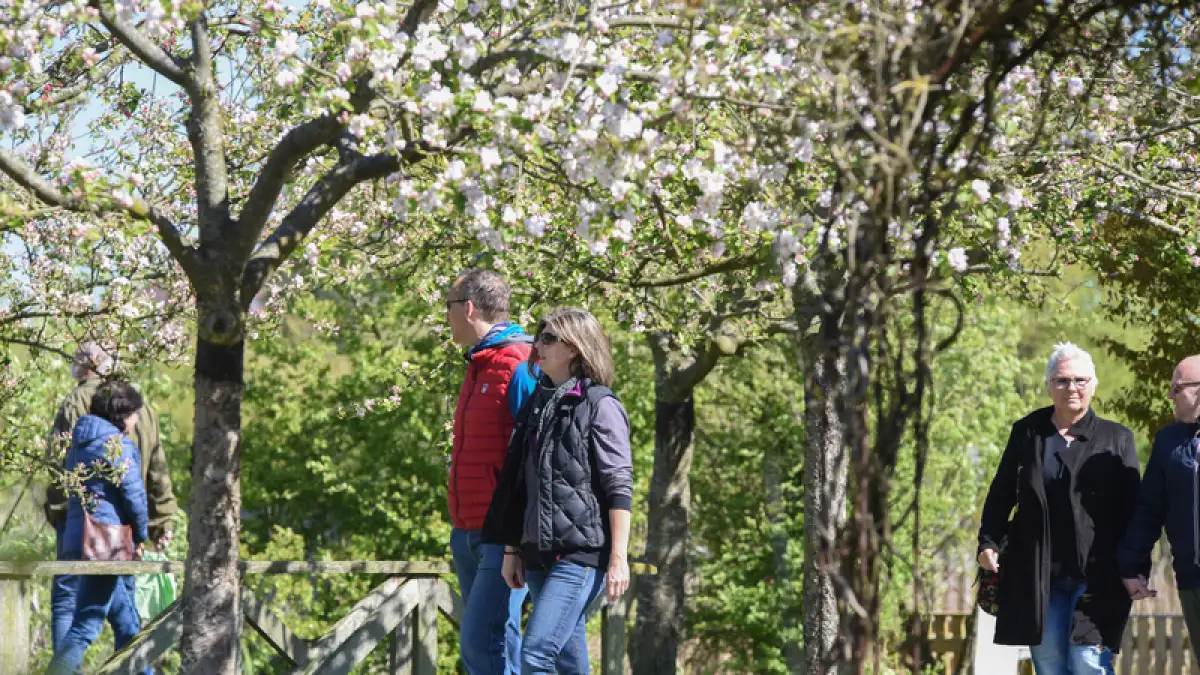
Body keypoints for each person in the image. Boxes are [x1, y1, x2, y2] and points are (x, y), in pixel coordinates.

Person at [483, 307, 634, 675]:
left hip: (581, 555)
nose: (538, 345)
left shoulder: (600, 404)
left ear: (575, 348)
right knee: (567, 659)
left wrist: (618, 558)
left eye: (549, 338)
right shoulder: (537, 404)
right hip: (536, 554)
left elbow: (619, 485)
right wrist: (512, 548)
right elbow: (520, 486)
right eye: (539, 336)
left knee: (536, 654)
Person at [977, 342, 1140, 675]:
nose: (1072, 388)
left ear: (1093, 385)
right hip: (1038, 575)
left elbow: (1134, 511)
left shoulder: (1117, 439)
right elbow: (1001, 493)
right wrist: (988, 542)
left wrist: (1136, 566)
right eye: (1062, 380)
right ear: (1049, 385)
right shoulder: (1027, 433)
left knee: (1088, 662)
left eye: (1080, 380)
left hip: (1099, 576)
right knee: (1050, 664)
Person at [44, 343, 177, 653]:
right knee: (124, 609)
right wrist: (160, 522)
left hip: (86, 523)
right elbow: (157, 470)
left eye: (78, 357)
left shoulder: (78, 401)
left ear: (88, 363)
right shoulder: (141, 408)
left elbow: (58, 463)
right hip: (126, 531)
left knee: (69, 601)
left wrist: (59, 512)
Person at [445, 270, 538, 674]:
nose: (445, 318)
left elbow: (536, 457)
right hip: (466, 528)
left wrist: (515, 538)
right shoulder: (477, 366)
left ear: (467, 309)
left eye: (448, 308)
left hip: (500, 533)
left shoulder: (519, 364)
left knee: (483, 640)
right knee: (495, 640)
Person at [47, 381, 152, 675]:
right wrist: (142, 535)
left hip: (78, 540)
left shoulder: (80, 443)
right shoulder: (117, 445)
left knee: (126, 622)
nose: (135, 422)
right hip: (106, 544)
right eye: (134, 414)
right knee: (85, 627)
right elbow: (134, 496)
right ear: (122, 413)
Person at [1118, 355, 1200, 659]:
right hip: (1192, 579)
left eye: (1176, 388)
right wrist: (1130, 566)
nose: (1169, 396)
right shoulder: (1168, 442)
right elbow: (1149, 508)